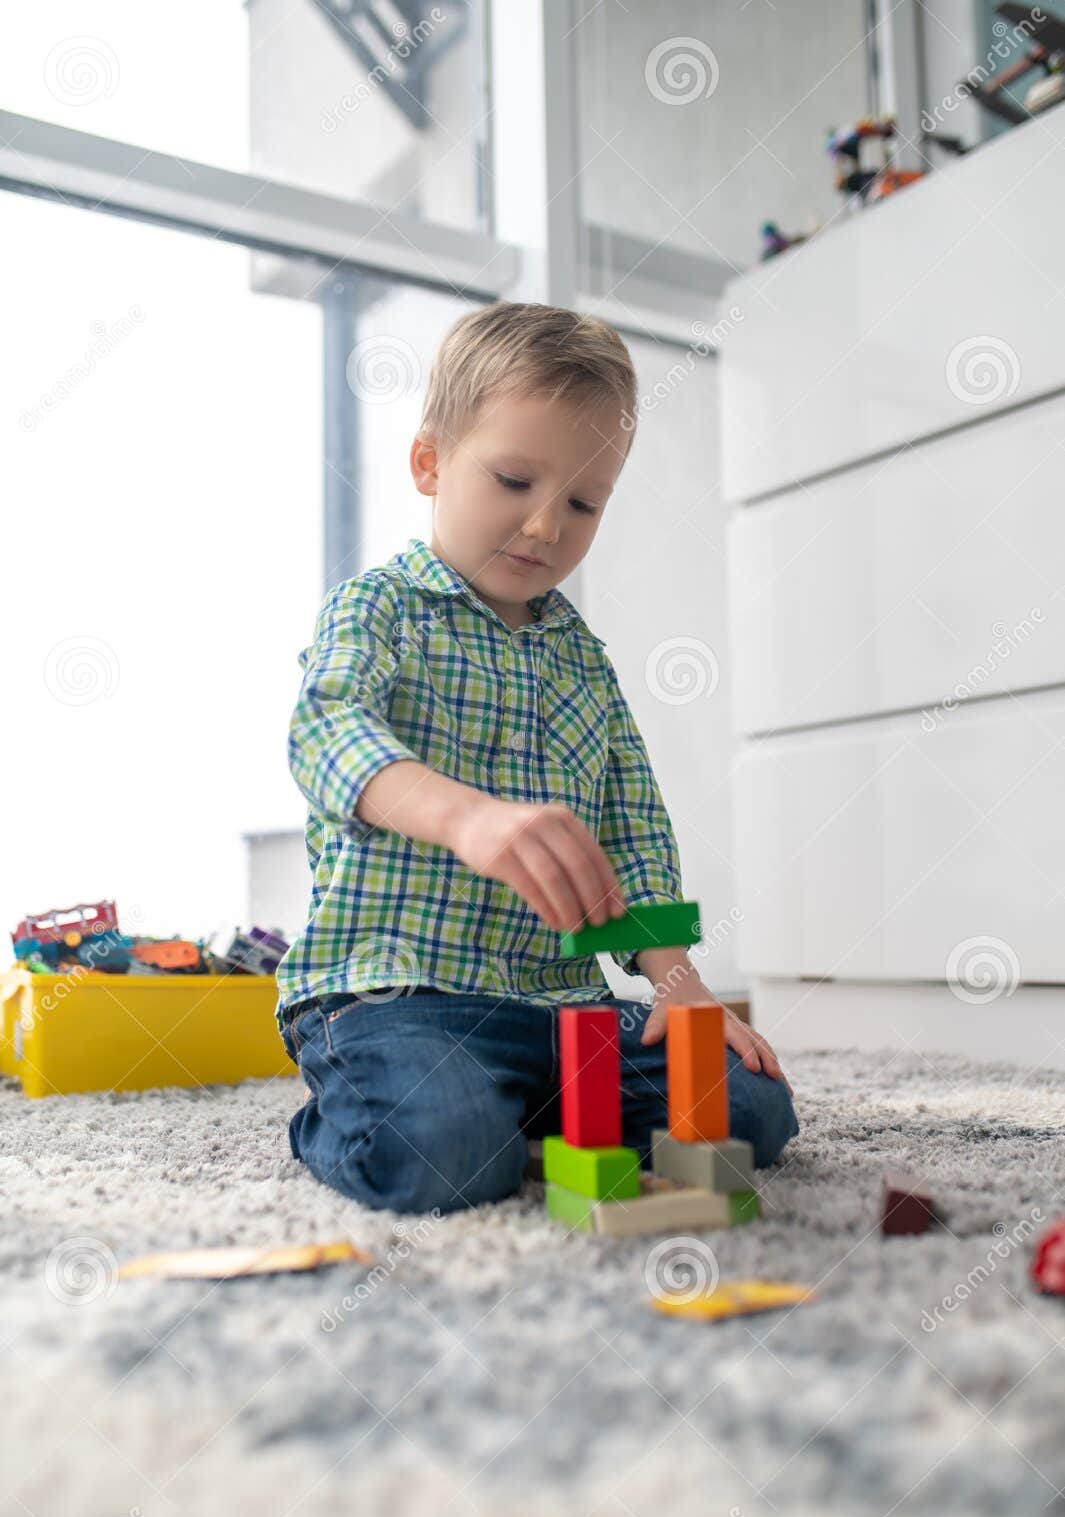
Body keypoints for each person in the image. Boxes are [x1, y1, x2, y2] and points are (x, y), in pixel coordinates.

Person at [274, 301, 798, 1213]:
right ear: (430, 463)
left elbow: (633, 829)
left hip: (557, 1011)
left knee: (751, 1110)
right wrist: (465, 817)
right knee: (444, 1153)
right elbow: (323, 731)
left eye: (583, 502)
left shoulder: (579, 656)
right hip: (393, 995)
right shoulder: (377, 608)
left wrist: (676, 985)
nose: (547, 526)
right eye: (514, 480)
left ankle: (517, 1113)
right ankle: (359, 1111)